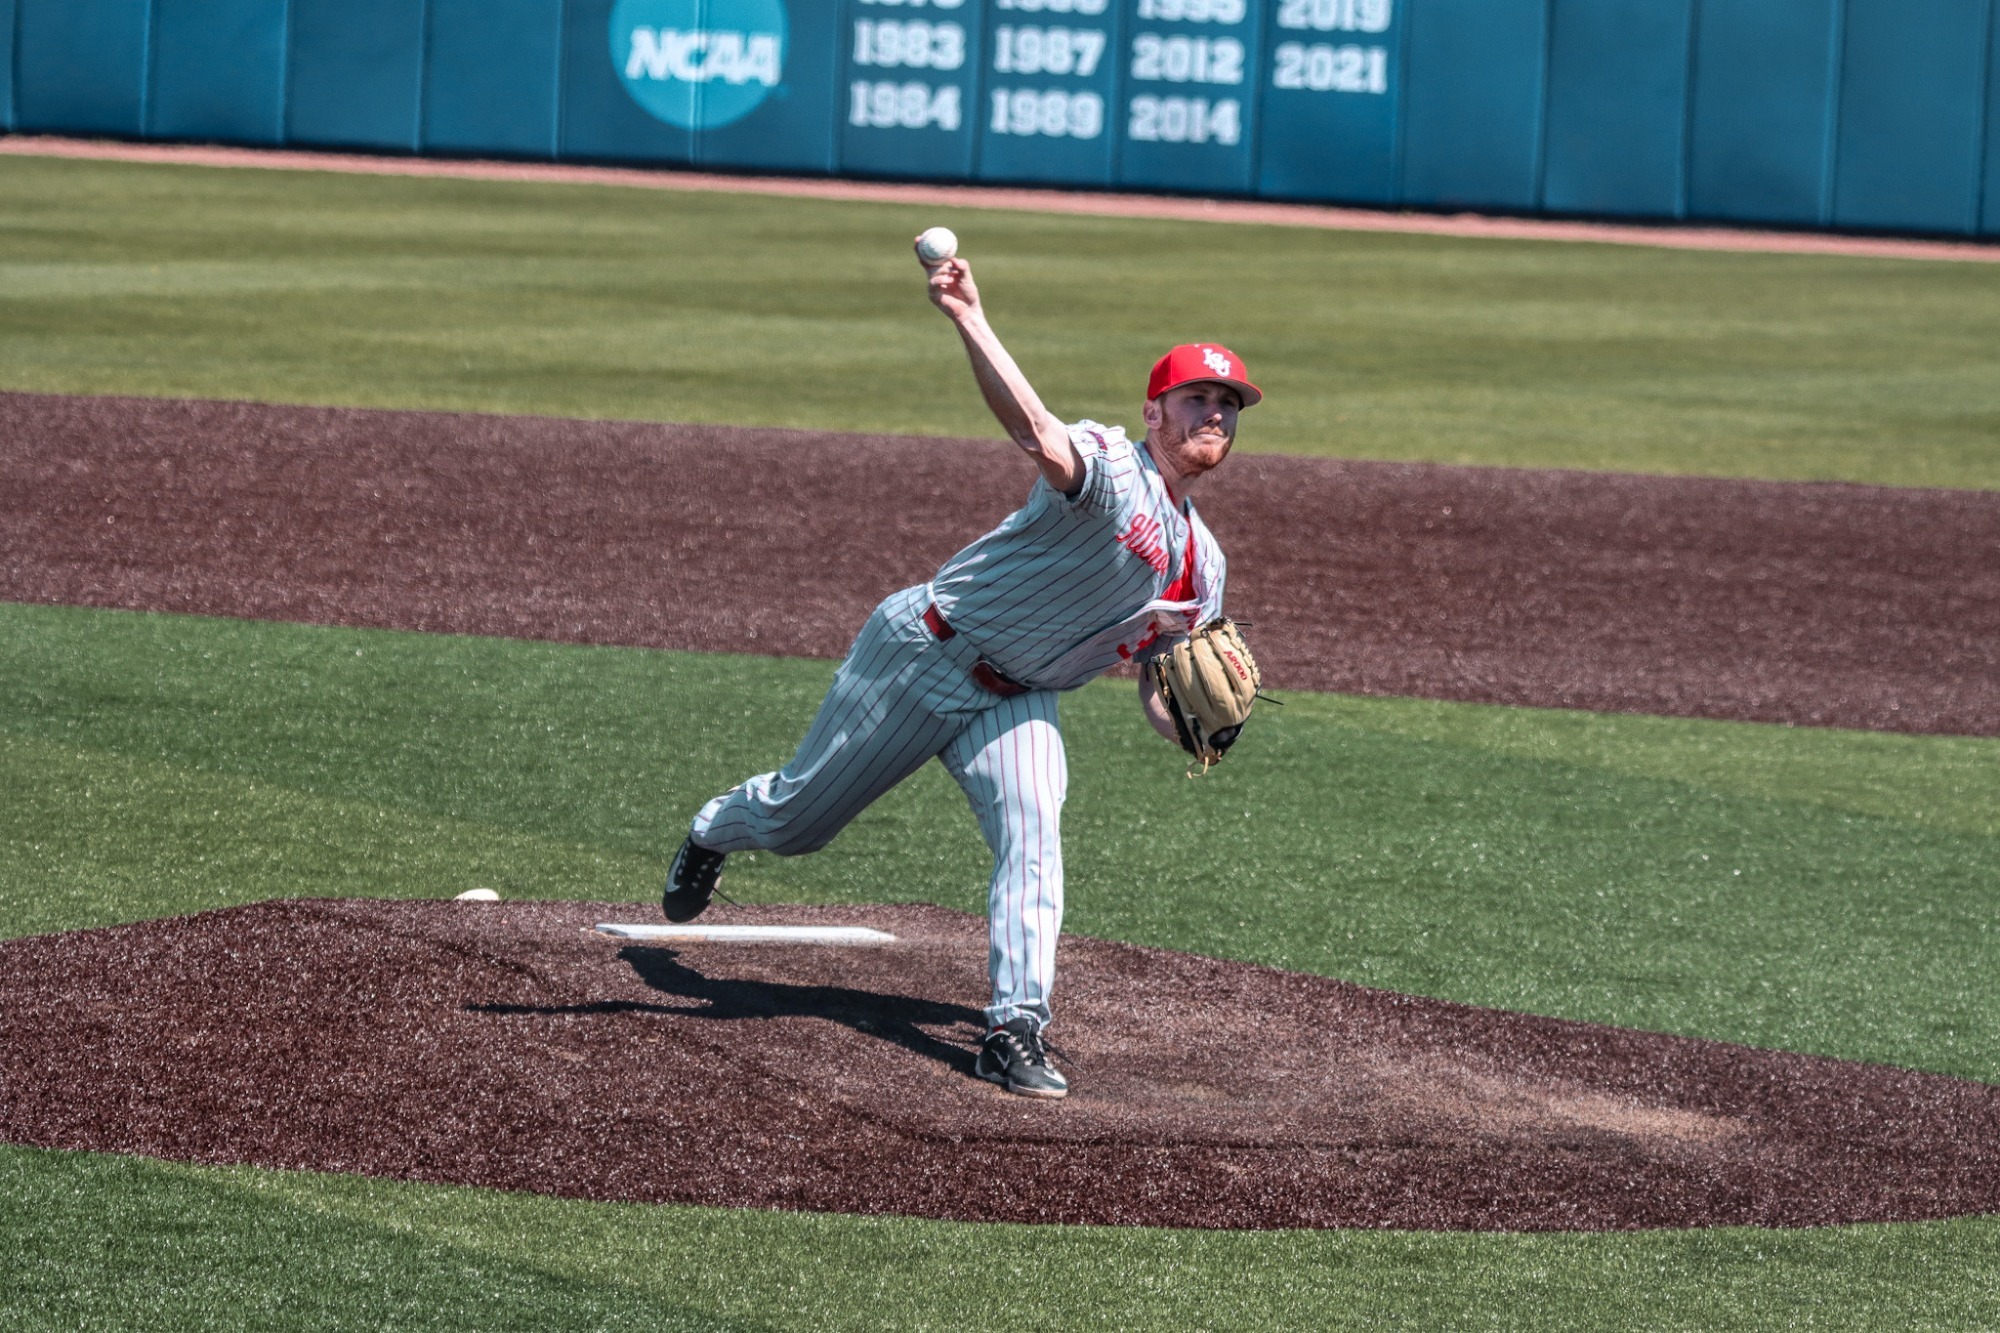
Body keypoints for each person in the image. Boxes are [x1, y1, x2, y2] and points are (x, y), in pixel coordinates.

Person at [661, 238, 1260, 1099]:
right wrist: (970, 316)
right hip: (921, 652)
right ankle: (713, 828)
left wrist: (1203, 728)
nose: (1214, 413)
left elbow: (1159, 687)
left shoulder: (1205, 567)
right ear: (1155, 411)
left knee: (1034, 829)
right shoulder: (1113, 468)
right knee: (798, 822)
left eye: (1228, 403)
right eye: (1196, 397)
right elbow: (1036, 433)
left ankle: (1016, 1025)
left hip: (1018, 701)